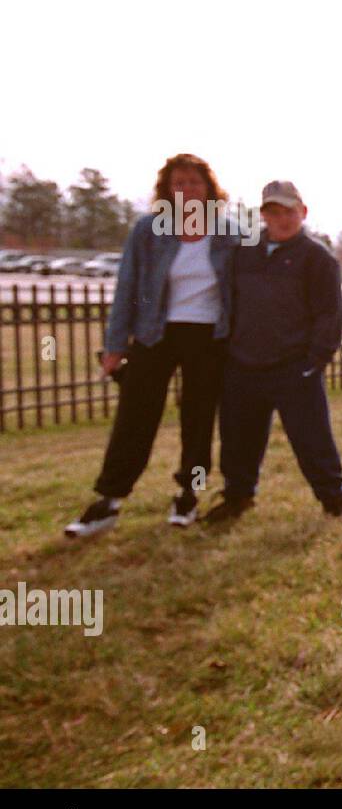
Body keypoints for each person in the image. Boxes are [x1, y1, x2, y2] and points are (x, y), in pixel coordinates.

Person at [65, 154, 236, 537]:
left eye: (195, 182)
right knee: (134, 417)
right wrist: (115, 346)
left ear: (208, 189)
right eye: (179, 183)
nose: (187, 190)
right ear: (166, 190)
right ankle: (108, 500)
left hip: (208, 337)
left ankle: (189, 494)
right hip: (154, 334)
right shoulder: (148, 231)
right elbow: (127, 288)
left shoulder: (229, 233)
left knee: (198, 420)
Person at [205, 180, 342, 521]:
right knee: (238, 439)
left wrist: (314, 360)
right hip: (243, 364)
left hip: (293, 367)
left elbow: (330, 314)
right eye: (273, 212)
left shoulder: (317, 258)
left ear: (303, 213)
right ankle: (237, 497)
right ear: (263, 215)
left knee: (312, 438)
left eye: (289, 211)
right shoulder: (244, 252)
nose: (282, 219)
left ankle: (334, 501)